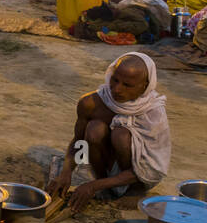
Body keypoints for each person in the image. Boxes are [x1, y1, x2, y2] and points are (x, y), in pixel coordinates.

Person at [47, 53, 171, 212]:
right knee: (94, 129)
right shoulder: (91, 103)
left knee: (121, 135)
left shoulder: (153, 113)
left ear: (145, 85)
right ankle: (104, 182)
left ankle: (135, 190)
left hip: (137, 174)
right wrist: (66, 172)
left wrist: (92, 186)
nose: (117, 89)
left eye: (127, 85)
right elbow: (80, 143)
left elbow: (151, 168)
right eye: (115, 79)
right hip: (106, 164)